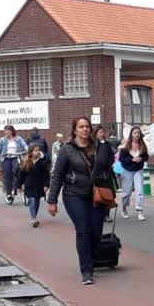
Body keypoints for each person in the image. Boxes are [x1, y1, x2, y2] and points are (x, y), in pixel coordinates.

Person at [46, 116, 117, 285]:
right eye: (81, 127)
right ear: (75, 130)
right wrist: (52, 200)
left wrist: (112, 194)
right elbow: (58, 176)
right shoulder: (67, 150)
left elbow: (107, 170)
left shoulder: (99, 148)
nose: (85, 129)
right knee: (83, 230)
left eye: (87, 126)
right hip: (74, 194)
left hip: (97, 194)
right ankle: (87, 271)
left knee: (96, 232)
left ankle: (89, 257)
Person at [118, 126, 150, 220]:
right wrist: (132, 159)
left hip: (138, 169)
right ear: (131, 134)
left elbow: (146, 156)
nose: (137, 135)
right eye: (135, 133)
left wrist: (141, 158)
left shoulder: (143, 145)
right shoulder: (126, 146)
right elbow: (121, 159)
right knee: (126, 192)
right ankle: (123, 207)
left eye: (138, 133)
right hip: (127, 169)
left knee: (139, 190)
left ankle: (140, 211)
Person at [20, 141, 51, 227]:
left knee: (36, 201)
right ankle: (33, 219)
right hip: (29, 185)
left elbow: (46, 175)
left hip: (39, 185)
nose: (37, 152)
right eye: (35, 150)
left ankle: (34, 216)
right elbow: (21, 174)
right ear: (31, 152)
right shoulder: (26, 162)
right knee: (32, 200)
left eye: (38, 150)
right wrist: (18, 185)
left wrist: (46, 185)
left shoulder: (42, 162)